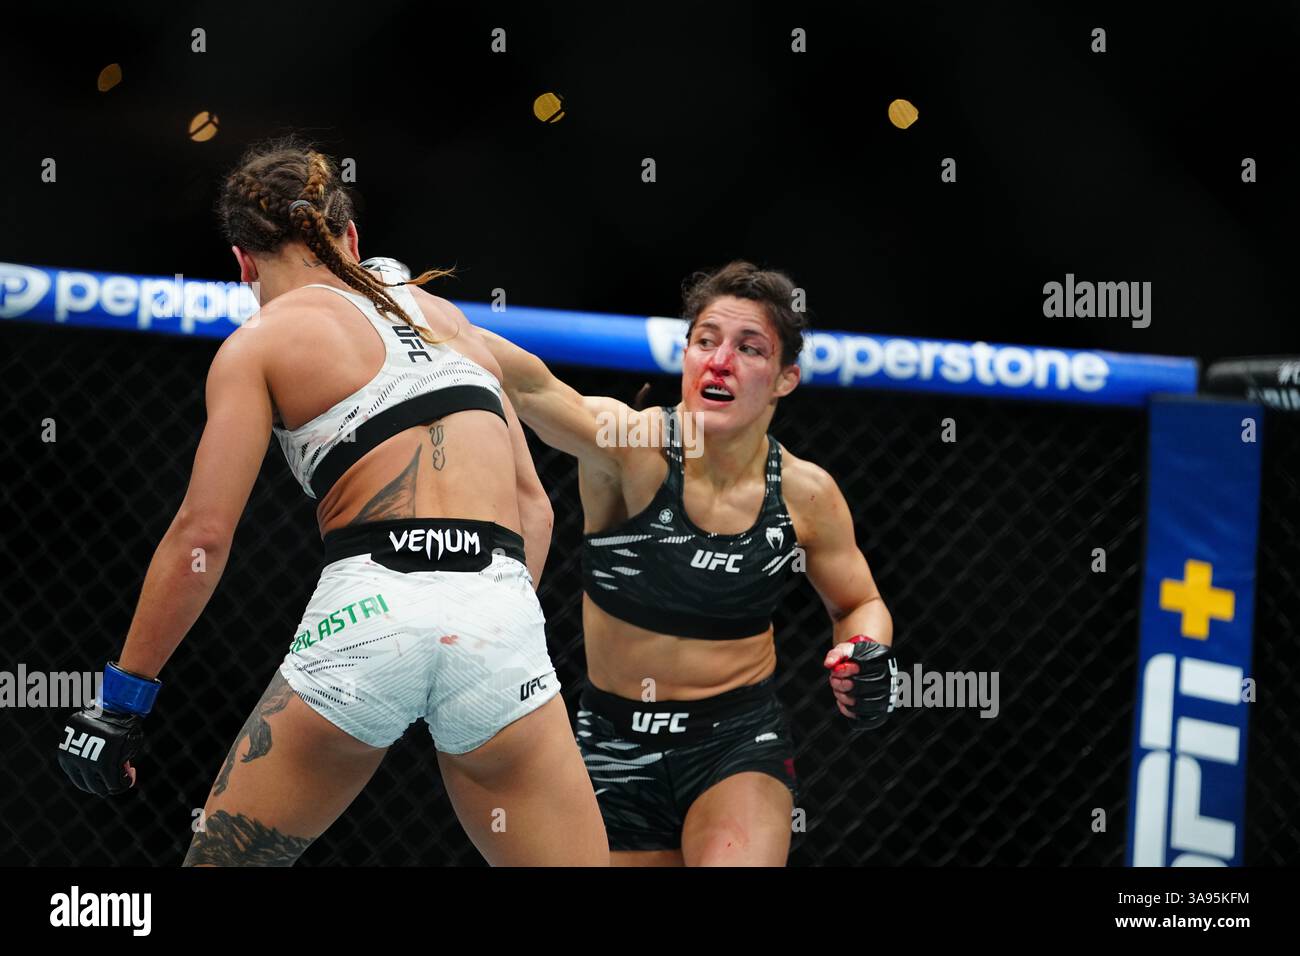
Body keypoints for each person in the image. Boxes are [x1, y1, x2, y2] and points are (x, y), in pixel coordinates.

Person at [55, 138, 607, 866]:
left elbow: (203, 535)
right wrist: (471, 632)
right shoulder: (455, 325)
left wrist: (120, 701)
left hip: (368, 611)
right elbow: (537, 510)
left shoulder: (260, 342)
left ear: (243, 263)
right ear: (349, 237)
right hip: (497, 612)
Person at [479, 260, 897, 865]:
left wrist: (867, 650)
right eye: (706, 341)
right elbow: (529, 386)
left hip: (735, 744)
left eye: (749, 348)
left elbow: (859, 603)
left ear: (786, 379)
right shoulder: (631, 449)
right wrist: (410, 307)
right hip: (611, 744)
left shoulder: (806, 495)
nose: (720, 360)